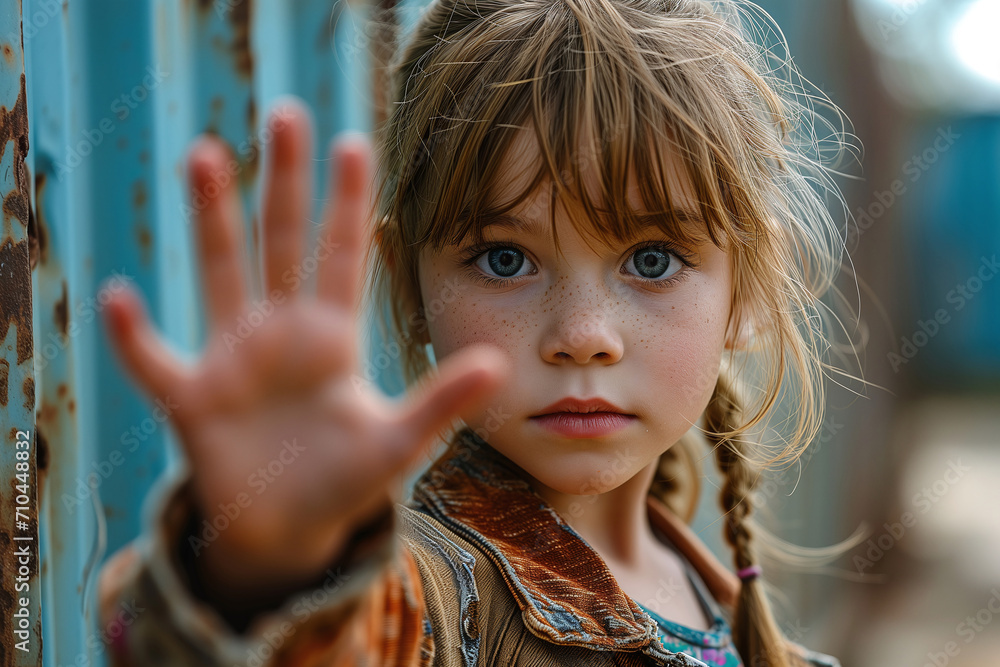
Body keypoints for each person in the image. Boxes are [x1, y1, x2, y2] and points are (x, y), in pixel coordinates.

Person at [96, 0, 860, 664]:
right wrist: (266, 564)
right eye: (505, 258)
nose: (583, 335)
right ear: (409, 284)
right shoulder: (434, 595)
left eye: (651, 258)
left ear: (749, 293)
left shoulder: (719, 605)